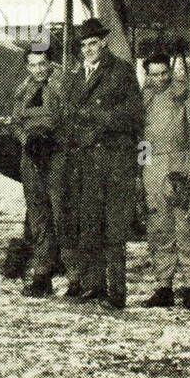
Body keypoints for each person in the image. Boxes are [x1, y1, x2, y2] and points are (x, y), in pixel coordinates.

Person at [62, 18, 145, 309]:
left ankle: (117, 290)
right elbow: (68, 117)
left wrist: (100, 120)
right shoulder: (73, 78)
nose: (88, 50)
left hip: (112, 160)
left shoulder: (120, 71)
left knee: (114, 227)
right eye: (83, 45)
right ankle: (93, 285)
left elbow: (135, 114)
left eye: (93, 43)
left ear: (103, 43)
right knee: (89, 224)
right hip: (85, 161)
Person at [140, 50, 190, 309]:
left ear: (170, 71)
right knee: (159, 227)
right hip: (152, 168)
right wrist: (143, 171)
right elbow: (141, 139)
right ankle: (163, 286)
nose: (159, 78)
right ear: (147, 75)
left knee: (187, 226)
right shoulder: (143, 100)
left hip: (181, 166)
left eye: (163, 73)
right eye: (153, 74)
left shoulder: (187, 97)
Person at [7, 48, 69, 297]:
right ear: (27, 67)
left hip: (56, 155)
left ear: (49, 63)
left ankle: (75, 276)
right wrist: (26, 140)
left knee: (62, 212)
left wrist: (49, 137)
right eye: (33, 65)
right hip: (31, 156)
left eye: (42, 64)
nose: (39, 70)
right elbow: (16, 121)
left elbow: (68, 117)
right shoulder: (23, 91)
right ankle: (42, 275)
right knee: (37, 214)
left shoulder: (62, 86)